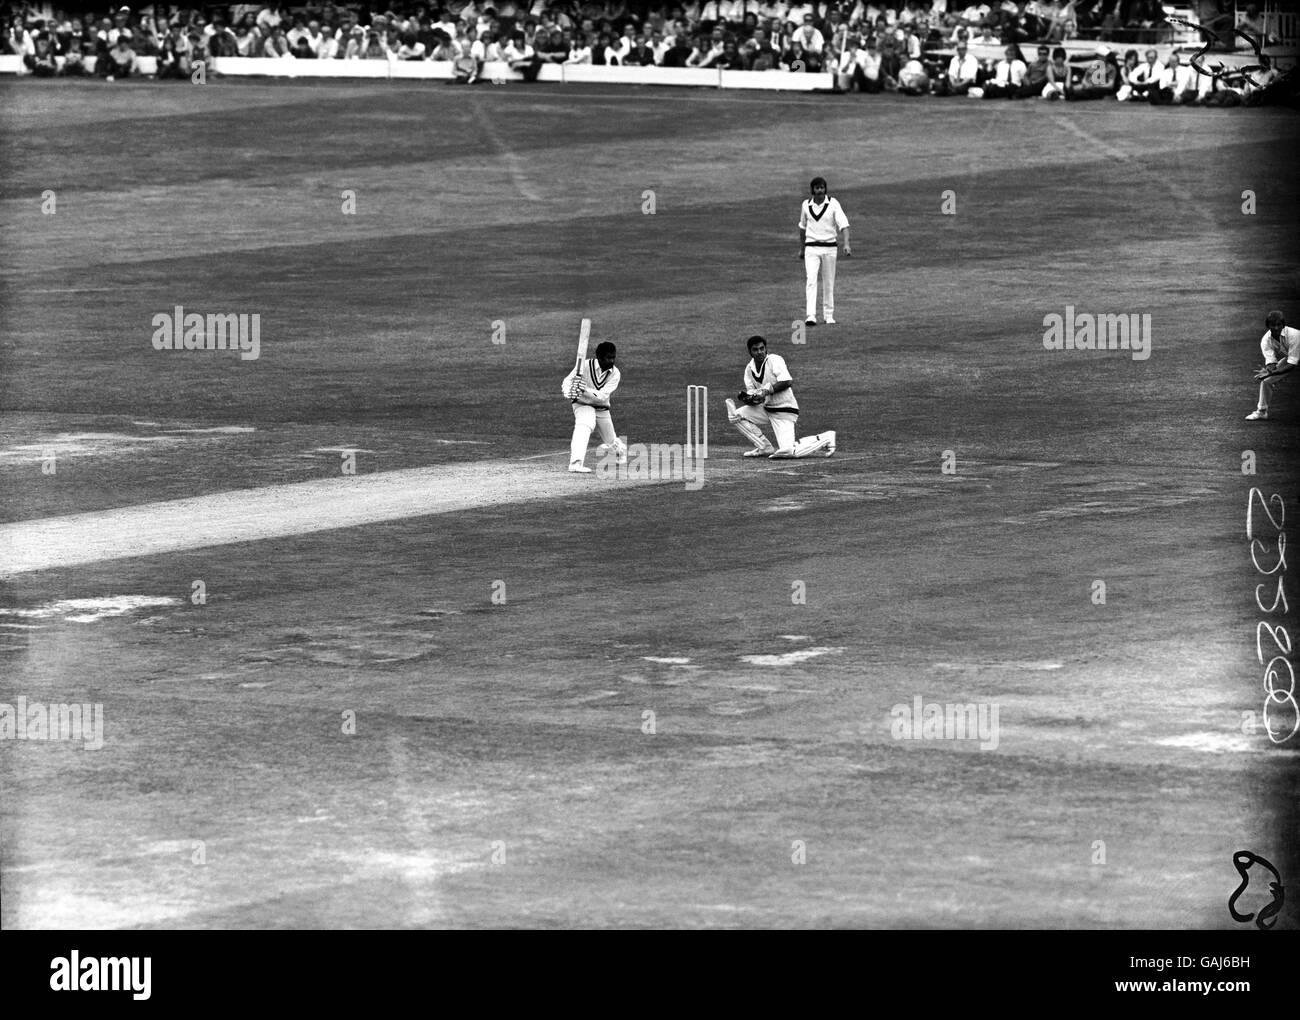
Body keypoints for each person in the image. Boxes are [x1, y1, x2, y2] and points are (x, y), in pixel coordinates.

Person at [725, 335, 836, 458]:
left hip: (784, 410)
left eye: (762, 348)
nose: (759, 352)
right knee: (736, 416)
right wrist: (751, 400)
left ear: (766, 349)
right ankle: (764, 447)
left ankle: (826, 438)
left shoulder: (774, 360)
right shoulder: (749, 369)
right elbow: (754, 395)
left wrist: (766, 391)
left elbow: (787, 381)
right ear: (749, 352)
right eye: (755, 350)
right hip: (767, 409)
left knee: (788, 452)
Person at [562, 341, 624, 472]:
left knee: (611, 442)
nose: (612, 361)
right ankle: (575, 463)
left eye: (613, 357)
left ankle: (619, 451)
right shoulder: (584, 365)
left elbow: (601, 396)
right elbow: (567, 381)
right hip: (582, 404)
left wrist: (584, 388)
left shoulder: (615, 374)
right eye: (608, 358)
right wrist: (569, 392)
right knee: (585, 424)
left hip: (602, 407)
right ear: (599, 358)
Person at [798, 176, 851, 326]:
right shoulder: (806, 205)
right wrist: (802, 250)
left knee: (828, 282)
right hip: (811, 248)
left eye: (822, 188)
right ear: (812, 190)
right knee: (811, 280)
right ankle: (811, 315)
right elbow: (802, 228)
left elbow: (844, 225)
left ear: (825, 189)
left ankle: (828, 315)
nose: (820, 191)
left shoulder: (833, 204)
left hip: (829, 248)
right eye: (817, 188)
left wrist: (846, 244)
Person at [1247, 311, 1299, 420]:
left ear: (1283, 325)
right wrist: (1269, 371)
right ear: (1268, 326)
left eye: (1279, 325)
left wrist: (1274, 372)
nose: (1276, 328)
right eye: (1273, 325)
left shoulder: (1295, 335)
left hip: (1293, 359)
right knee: (1267, 381)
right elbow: (1271, 361)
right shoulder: (1265, 340)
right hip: (1292, 358)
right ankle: (1261, 411)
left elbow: (1292, 365)